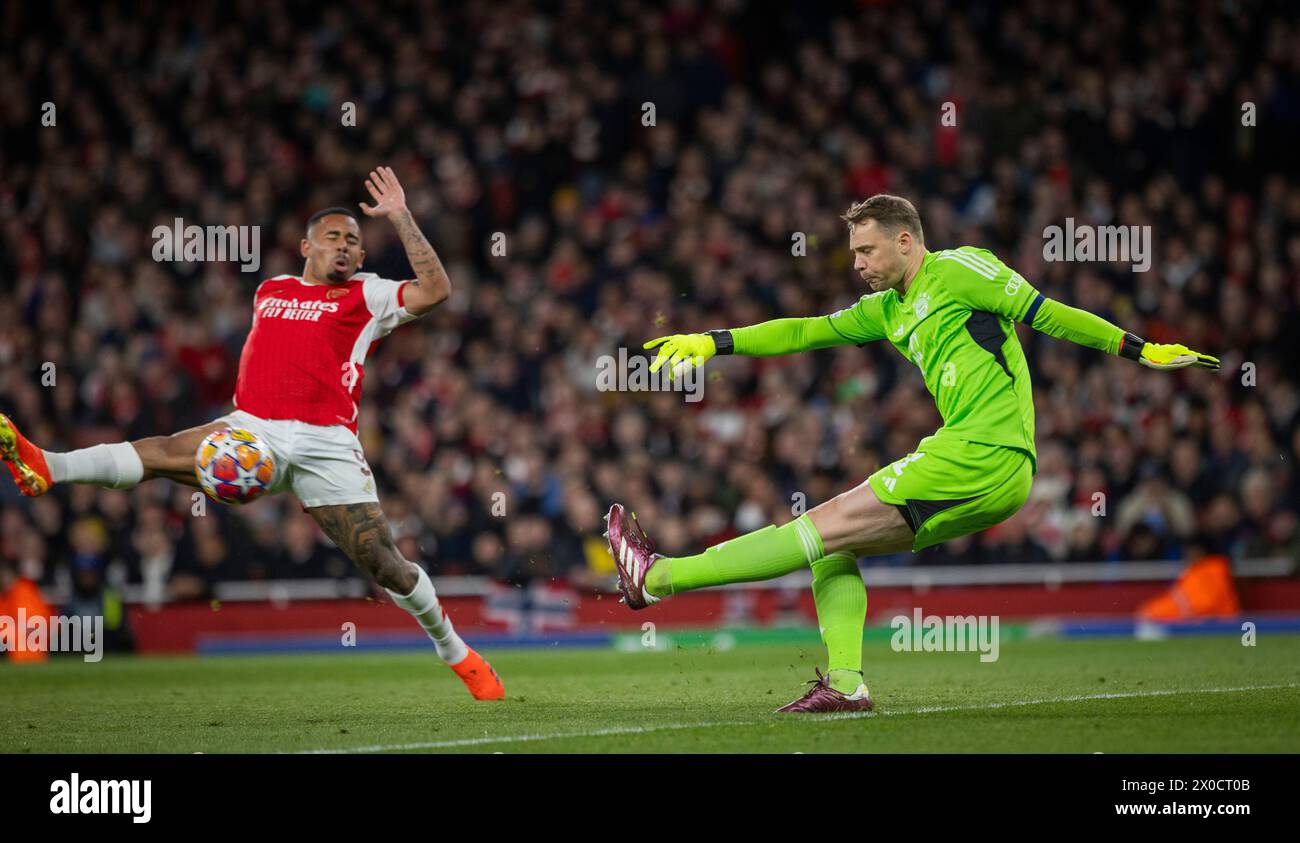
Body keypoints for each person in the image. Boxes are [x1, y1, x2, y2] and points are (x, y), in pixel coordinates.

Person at [606, 193, 1218, 712]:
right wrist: (714, 342)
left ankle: (659, 577)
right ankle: (846, 684)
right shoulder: (887, 310)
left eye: (866, 251)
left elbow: (1046, 314)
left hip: (983, 451)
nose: (858, 265)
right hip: (989, 470)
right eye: (852, 254)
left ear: (906, 241)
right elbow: (803, 330)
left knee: (818, 527)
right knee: (833, 549)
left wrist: (1140, 350)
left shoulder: (959, 270)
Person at [1, 167, 503, 700]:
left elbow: (437, 289)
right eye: (332, 236)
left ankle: (455, 651)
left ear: (360, 259)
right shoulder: (270, 290)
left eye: (353, 241)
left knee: (386, 563)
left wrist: (400, 215)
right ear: (305, 245)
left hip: (325, 442)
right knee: (162, 451)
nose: (344, 245)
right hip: (252, 429)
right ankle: (47, 466)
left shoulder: (369, 295)